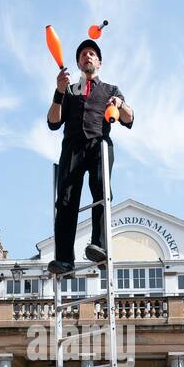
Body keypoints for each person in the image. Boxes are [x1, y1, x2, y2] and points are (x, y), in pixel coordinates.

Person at [46, 38, 134, 276]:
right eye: (83, 54)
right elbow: (53, 122)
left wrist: (120, 104)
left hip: (99, 145)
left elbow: (129, 118)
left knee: (101, 189)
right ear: (78, 63)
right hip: (72, 148)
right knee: (65, 200)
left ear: (99, 63)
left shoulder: (111, 90)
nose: (88, 56)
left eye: (92, 54)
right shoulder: (69, 90)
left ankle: (99, 246)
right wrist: (59, 92)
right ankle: (65, 260)